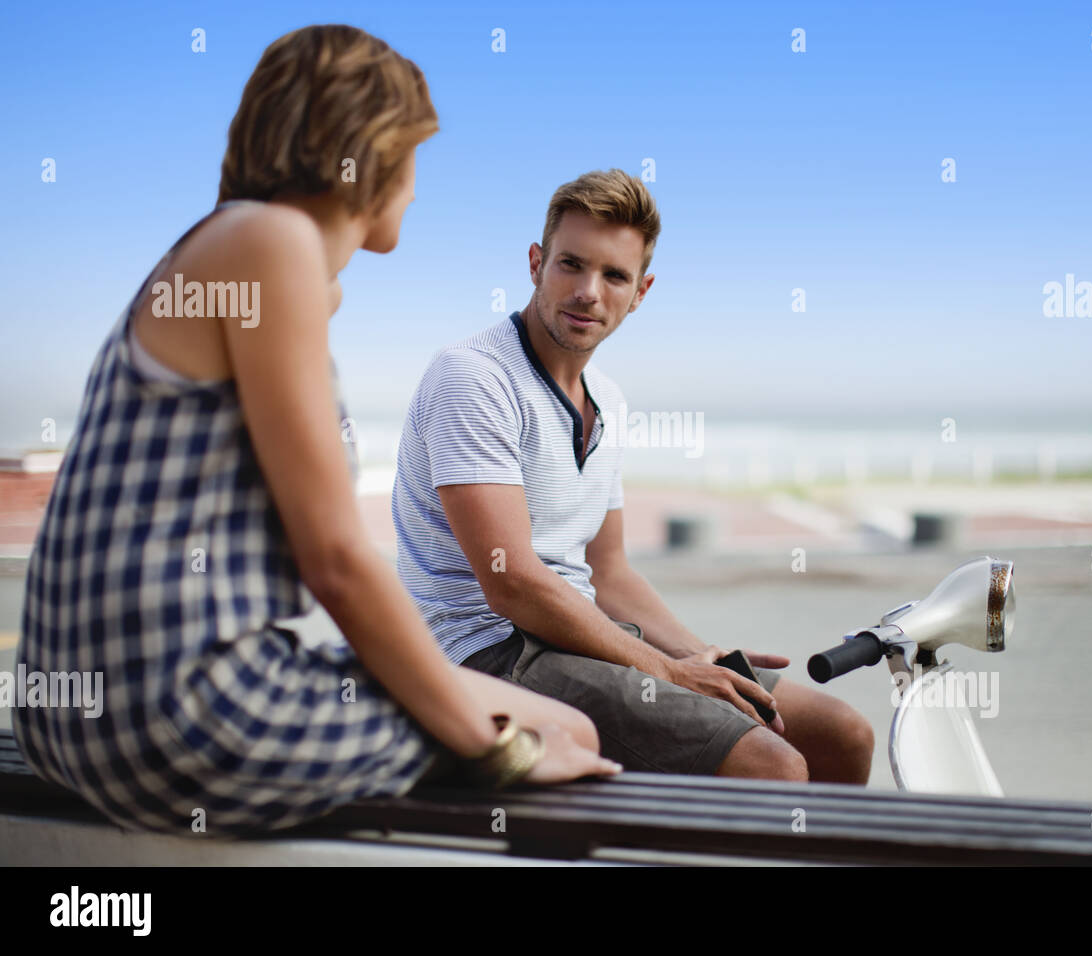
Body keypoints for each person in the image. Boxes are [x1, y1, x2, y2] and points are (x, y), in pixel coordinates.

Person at [12, 24, 618, 837]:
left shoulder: (230, 246)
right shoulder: (272, 242)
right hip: (174, 713)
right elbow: (334, 560)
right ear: (370, 148)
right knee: (562, 731)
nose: (413, 187)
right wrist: (493, 746)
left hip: (71, 716)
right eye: (412, 159)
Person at [392, 169, 875, 781]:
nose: (588, 291)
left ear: (640, 291)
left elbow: (609, 570)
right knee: (770, 764)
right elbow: (511, 581)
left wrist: (696, 655)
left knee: (842, 734)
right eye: (571, 264)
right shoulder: (474, 378)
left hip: (578, 633)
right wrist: (666, 671)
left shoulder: (608, 400)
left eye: (614, 275)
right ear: (537, 263)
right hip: (488, 651)